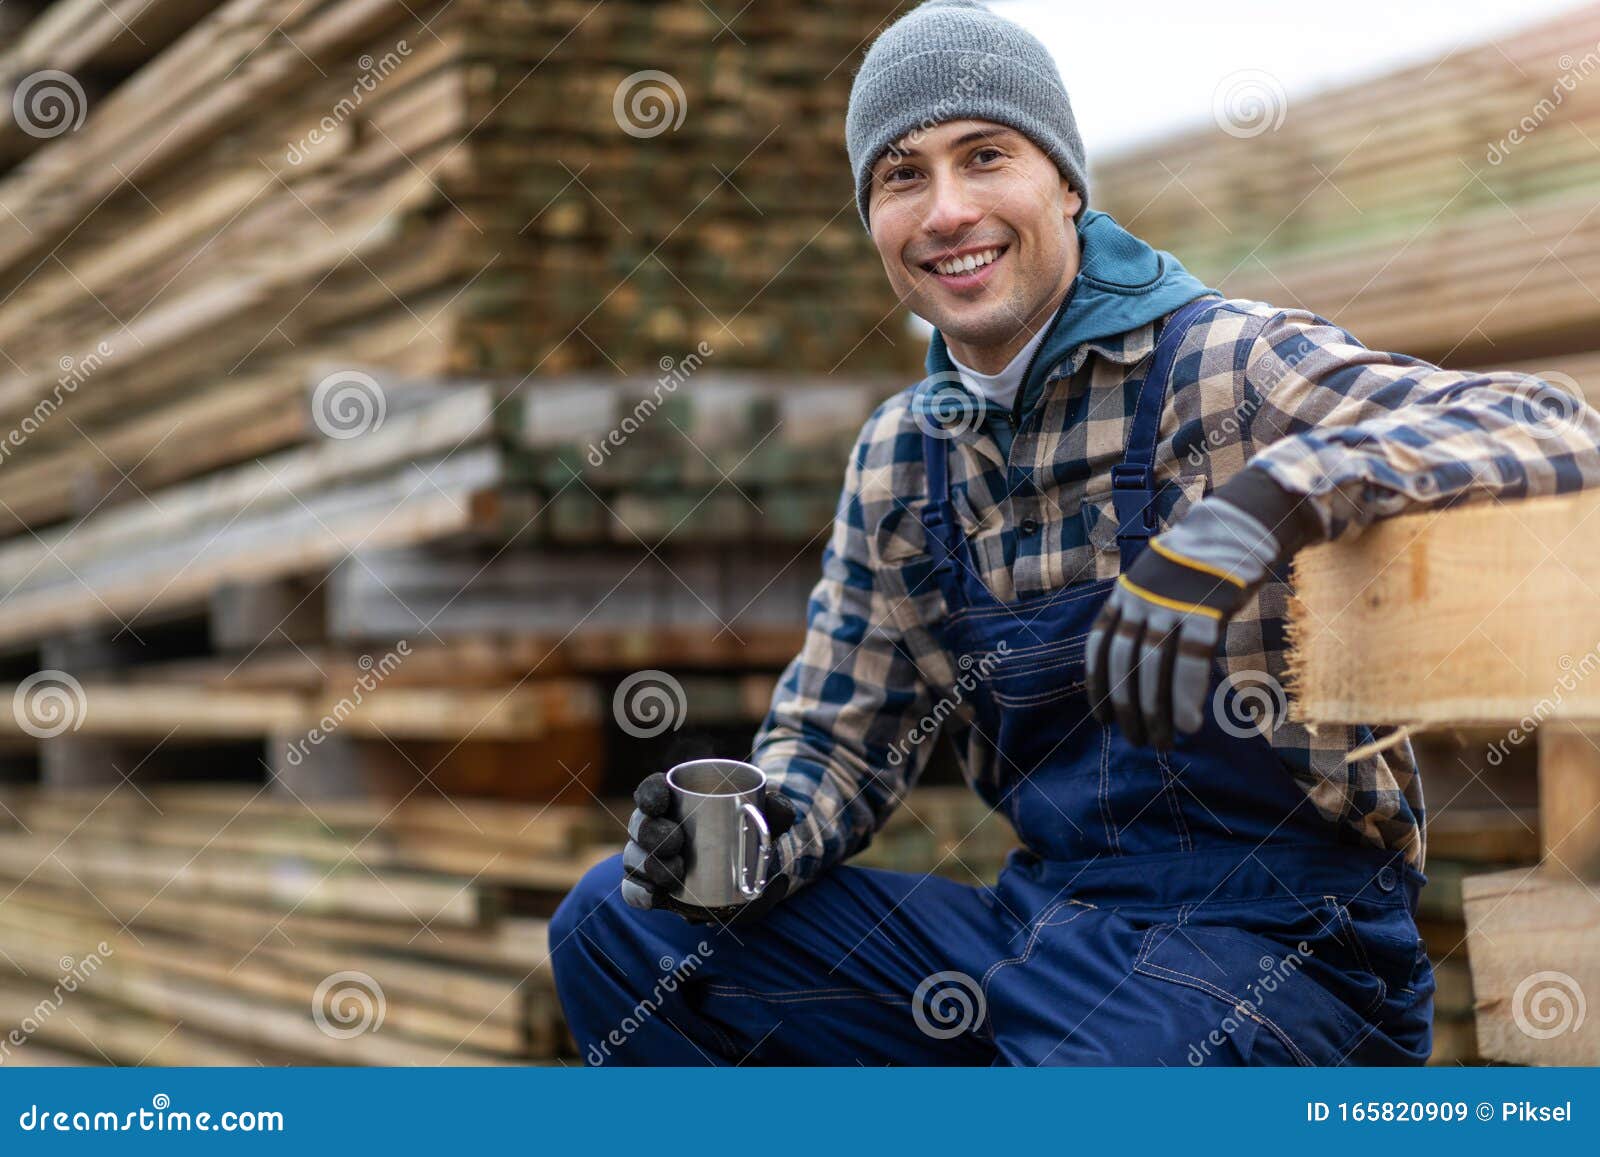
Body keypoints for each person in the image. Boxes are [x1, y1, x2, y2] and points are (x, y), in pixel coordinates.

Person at [551, 0, 1600, 1065]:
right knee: (618, 927)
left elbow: (1557, 427)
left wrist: (1271, 499)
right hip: (1047, 937)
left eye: (985, 155)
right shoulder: (902, 456)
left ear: (1064, 182)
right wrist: (756, 833)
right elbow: (833, 740)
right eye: (902, 176)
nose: (947, 209)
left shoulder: (1228, 369)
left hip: (1281, 954)